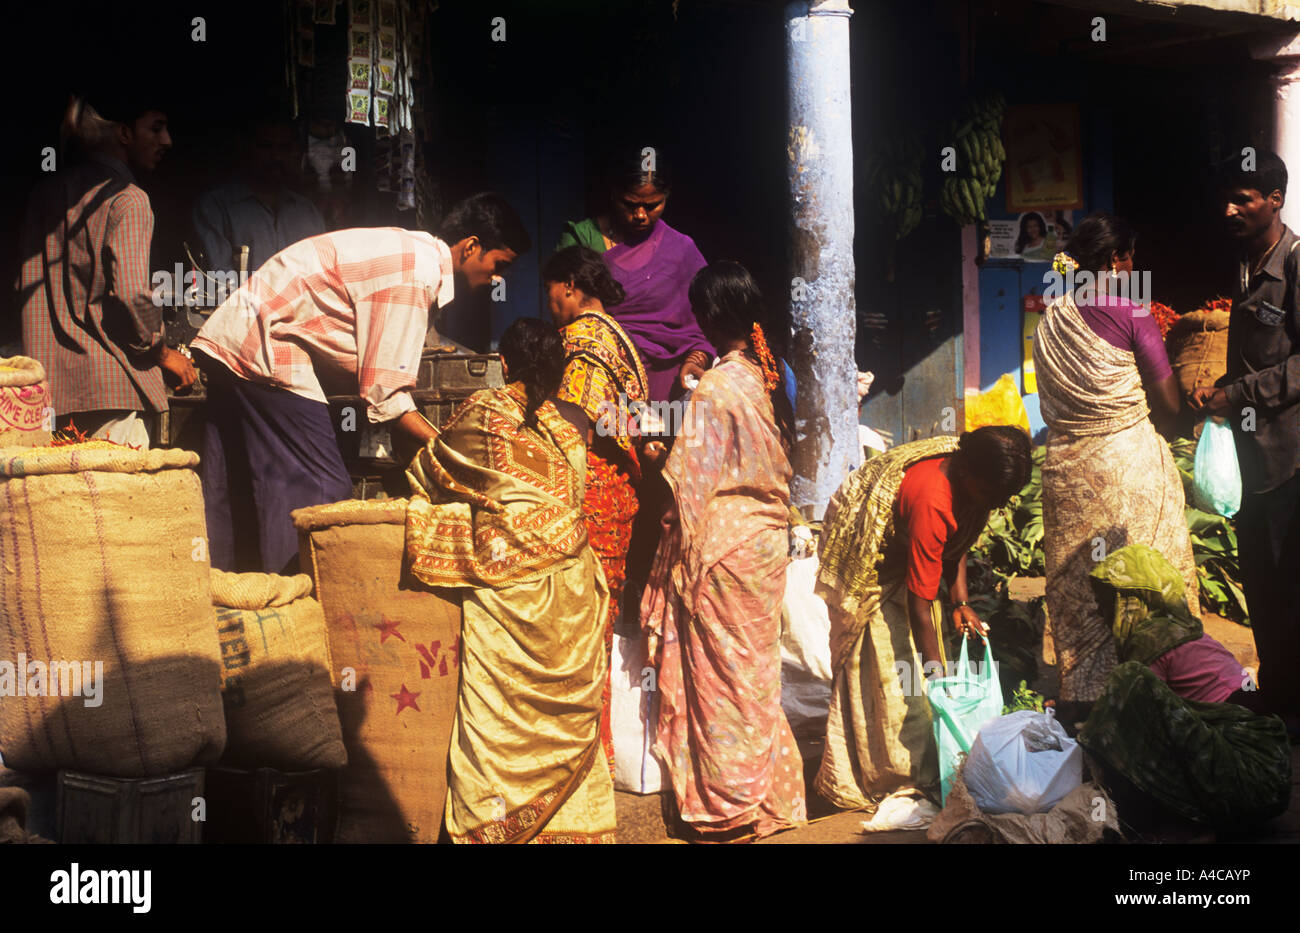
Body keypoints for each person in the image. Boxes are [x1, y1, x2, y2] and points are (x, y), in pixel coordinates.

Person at [190, 192, 530, 574]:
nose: (498, 279)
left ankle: (229, 594)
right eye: (500, 264)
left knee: (231, 494)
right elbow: (388, 399)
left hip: (236, 340)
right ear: (471, 247)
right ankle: (297, 596)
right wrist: (454, 455)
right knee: (321, 492)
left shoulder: (411, 254)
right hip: (265, 345)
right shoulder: (416, 273)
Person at [405, 317, 616, 844]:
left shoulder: (483, 411)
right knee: (564, 713)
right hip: (572, 582)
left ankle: (498, 824)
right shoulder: (568, 427)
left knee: (502, 710)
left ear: (503, 363)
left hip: (515, 583)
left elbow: (434, 467)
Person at [640, 261, 805, 840]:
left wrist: (655, 460)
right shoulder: (772, 375)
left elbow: (688, 486)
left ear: (709, 318)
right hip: (765, 543)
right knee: (753, 676)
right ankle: (766, 795)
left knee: (720, 678)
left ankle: (730, 802)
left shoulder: (715, 388)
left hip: (724, 550)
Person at [815, 425, 1032, 810]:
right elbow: (920, 605)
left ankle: (928, 766)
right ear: (968, 474)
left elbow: (957, 539)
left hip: (912, 550)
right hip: (875, 563)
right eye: (993, 496)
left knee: (923, 663)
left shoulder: (973, 487)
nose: (997, 506)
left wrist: (960, 601)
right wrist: (937, 679)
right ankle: (894, 778)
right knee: (895, 675)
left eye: (1003, 499)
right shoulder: (932, 501)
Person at [1034, 212, 1197, 711]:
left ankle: (1086, 702)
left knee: (1082, 590)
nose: (1132, 268)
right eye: (1129, 259)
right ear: (1112, 260)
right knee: (1144, 580)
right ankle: (1153, 696)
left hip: (1068, 472)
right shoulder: (1131, 313)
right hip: (1128, 469)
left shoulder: (1050, 317)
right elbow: (1168, 406)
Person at [17, 93, 197, 447]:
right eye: (156, 128)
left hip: (47, 396)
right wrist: (163, 353)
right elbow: (130, 293)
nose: (167, 140)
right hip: (112, 393)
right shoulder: (128, 198)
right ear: (124, 134)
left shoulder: (45, 192)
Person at [1193, 151, 1300, 723]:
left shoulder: (1296, 264)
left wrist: (1236, 395)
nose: (1229, 210)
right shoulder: (1247, 265)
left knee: (1288, 584)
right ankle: (1279, 697)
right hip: (1253, 457)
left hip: (1290, 459)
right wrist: (1220, 390)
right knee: (1261, 581)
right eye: (1226, 199)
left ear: (1275, 200)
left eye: (1244, 199)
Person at [544, 245, 652, 778]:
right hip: (621, 494)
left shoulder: (582, 340)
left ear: (568, 284)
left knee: (581, 623)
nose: (548, 303)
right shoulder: (621, 340)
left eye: (549, 290)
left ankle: (586, 753)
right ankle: (599, 751)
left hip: (592, 492)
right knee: (600, 622)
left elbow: (575, 429)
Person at [556, 146, 713, 406]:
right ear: (613, 194)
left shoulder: (681, 250)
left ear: (666, 197)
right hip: (599, 380)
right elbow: (564, 313)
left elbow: (708, 318)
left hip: (670, 386)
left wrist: (696, 359)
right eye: (630, 204)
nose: (640, 215)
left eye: (652, 206)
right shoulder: (583, 239)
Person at [192, 111, 326, 295]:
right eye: (266, 146)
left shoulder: (307, 212)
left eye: (284, 148)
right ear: (246, 148)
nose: (276, 157)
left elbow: (321, 279)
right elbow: (220, 282)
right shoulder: (216, 207)